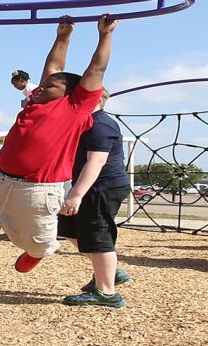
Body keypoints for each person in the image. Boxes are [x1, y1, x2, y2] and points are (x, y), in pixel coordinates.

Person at [0, 14, 116, 287]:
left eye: (50, 87)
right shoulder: (36, 102)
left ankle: (39, 252)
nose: (40, 89)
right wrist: (62, 36)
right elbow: (53, 65)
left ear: (72, 94)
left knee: (38, 238)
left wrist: (105, 35)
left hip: (38, 188)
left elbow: (95, 71)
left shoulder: (75, 108)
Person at [58, 91, 132, 308]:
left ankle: (107, 293)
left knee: (98, 236)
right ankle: (110, 272)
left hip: (103, 188)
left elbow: (96, 161)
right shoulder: (87, 122)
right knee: (66, 228)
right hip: (92, 187)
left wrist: (76, 194)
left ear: (98, 100)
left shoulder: (101, 125)